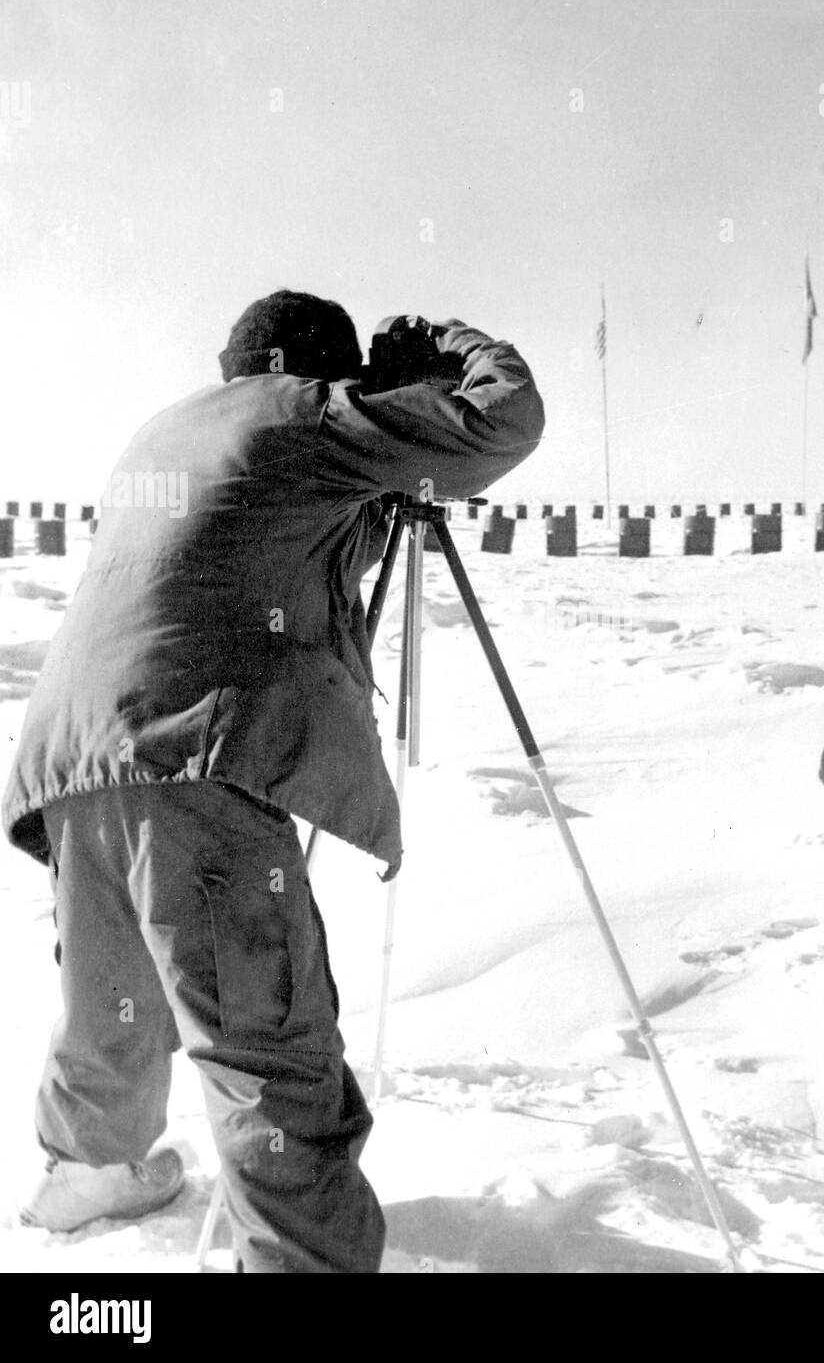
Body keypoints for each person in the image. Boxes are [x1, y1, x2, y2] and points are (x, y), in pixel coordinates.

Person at [3, 290, 544, 1270]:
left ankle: (91, 1170)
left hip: (74, 757)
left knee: (112, 985)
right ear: (305, 367)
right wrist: (447, 348)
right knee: (265, 1032)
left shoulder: (167, 432)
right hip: (190, 751)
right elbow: (501, 420)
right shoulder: (299, 416)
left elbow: (267, 548)